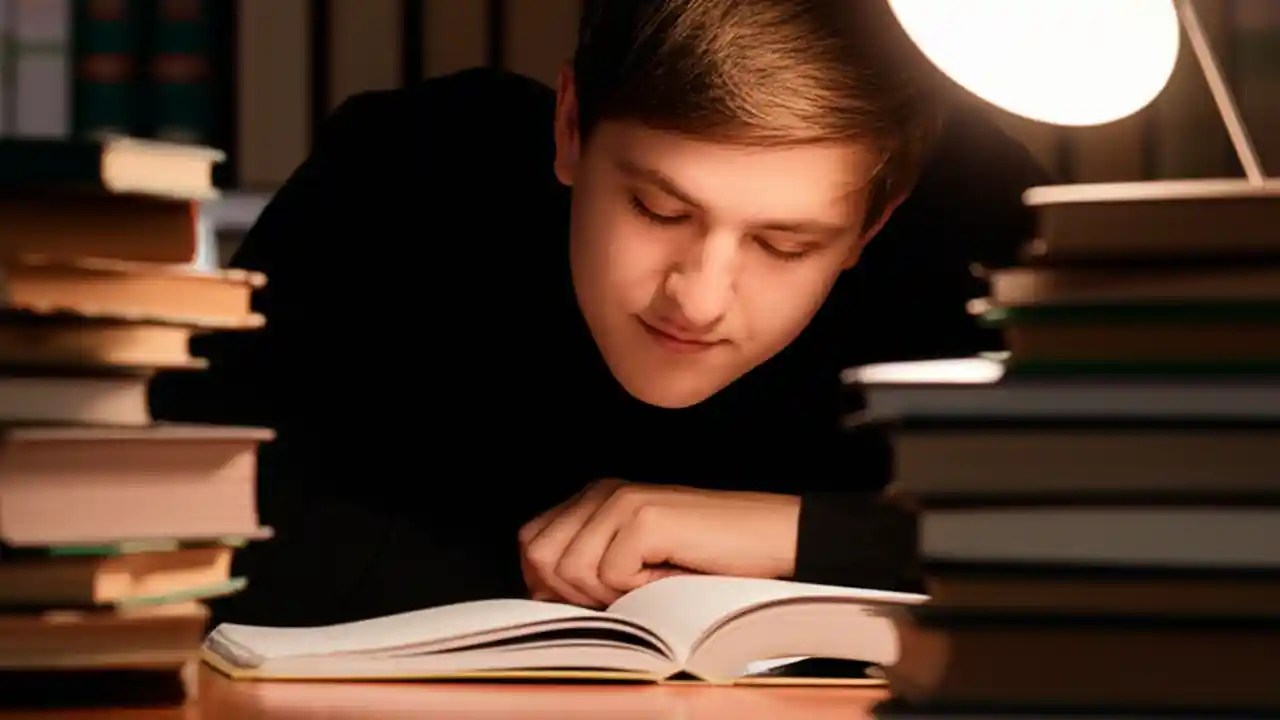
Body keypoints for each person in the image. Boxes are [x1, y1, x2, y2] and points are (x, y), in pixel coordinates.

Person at [149, 0, 1049, 628]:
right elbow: (165, 517)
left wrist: (790, 532)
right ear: (571, 126)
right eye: (658, 211)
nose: (697, 297)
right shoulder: (409, 169)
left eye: (784, 245)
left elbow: (1126, 537)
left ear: (875, 221)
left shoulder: (970, 232)